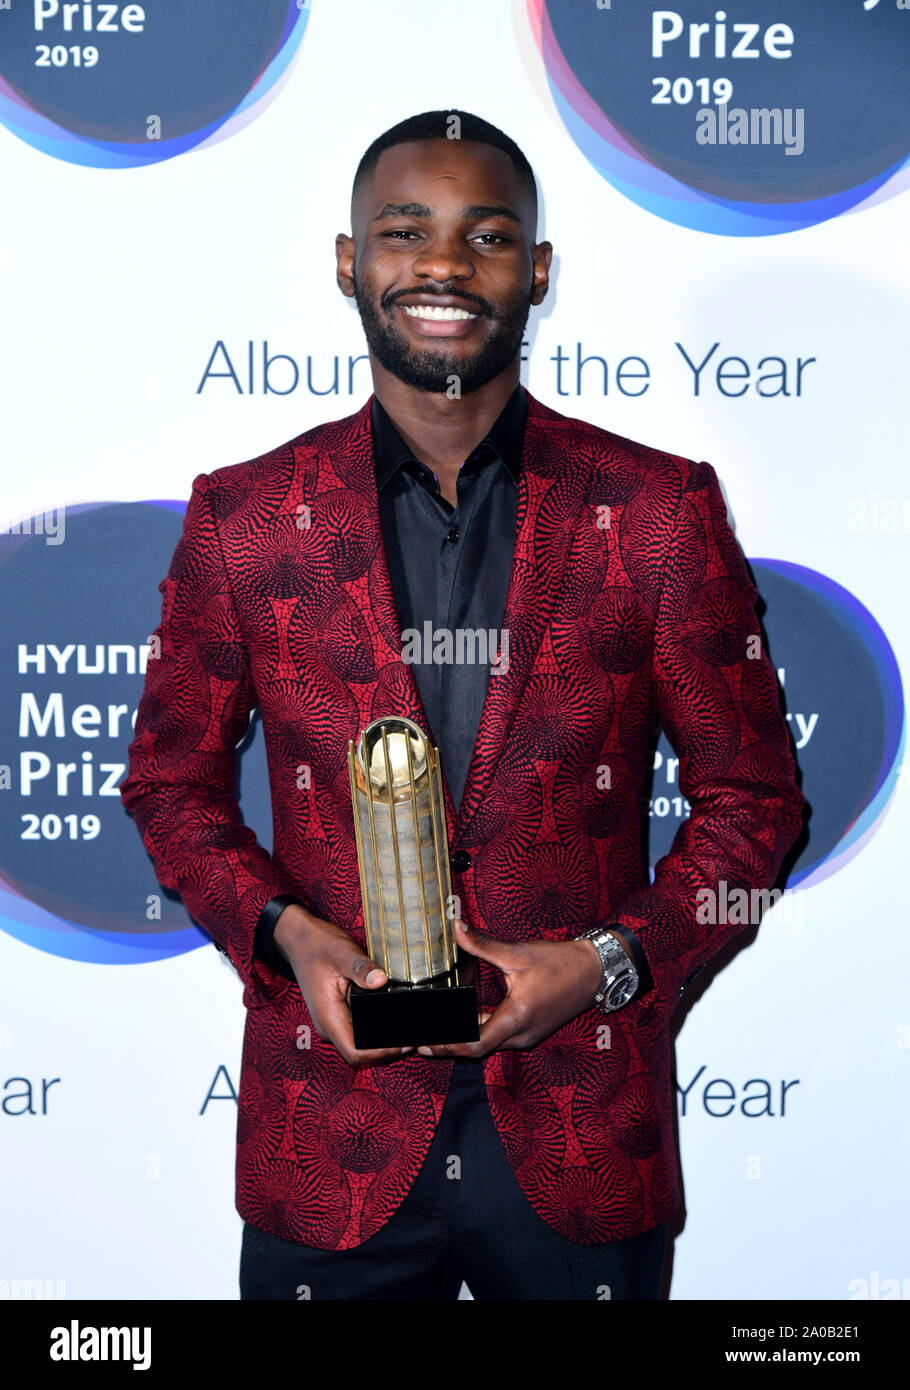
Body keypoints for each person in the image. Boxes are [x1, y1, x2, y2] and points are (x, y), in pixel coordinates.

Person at [120, 109, 805, 1300]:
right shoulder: (243, 517)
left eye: (487, 236)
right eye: (404, 231)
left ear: (537, 273)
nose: (442, 264)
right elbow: (170, 787)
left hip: (583, 1132)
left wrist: (606, 962)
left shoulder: (655, 513)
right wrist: (287, 936)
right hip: (327, 1147)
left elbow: (752, 802)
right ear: (349, 262)